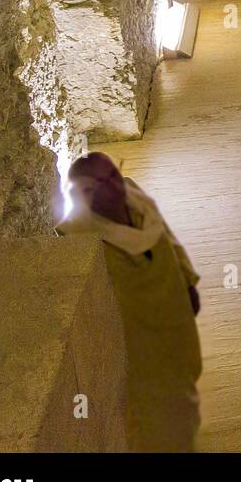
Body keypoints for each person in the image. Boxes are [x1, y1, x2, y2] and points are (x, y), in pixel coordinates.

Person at [57, 152, 203, 452]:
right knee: (151, 410)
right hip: (137, 338)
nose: (114, 186)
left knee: (184, 380)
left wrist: (188, 280)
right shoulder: (77, 240)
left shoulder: (133, 194)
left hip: (173, 310)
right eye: (101, 183)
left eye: (113, 175)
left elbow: (168, 237)